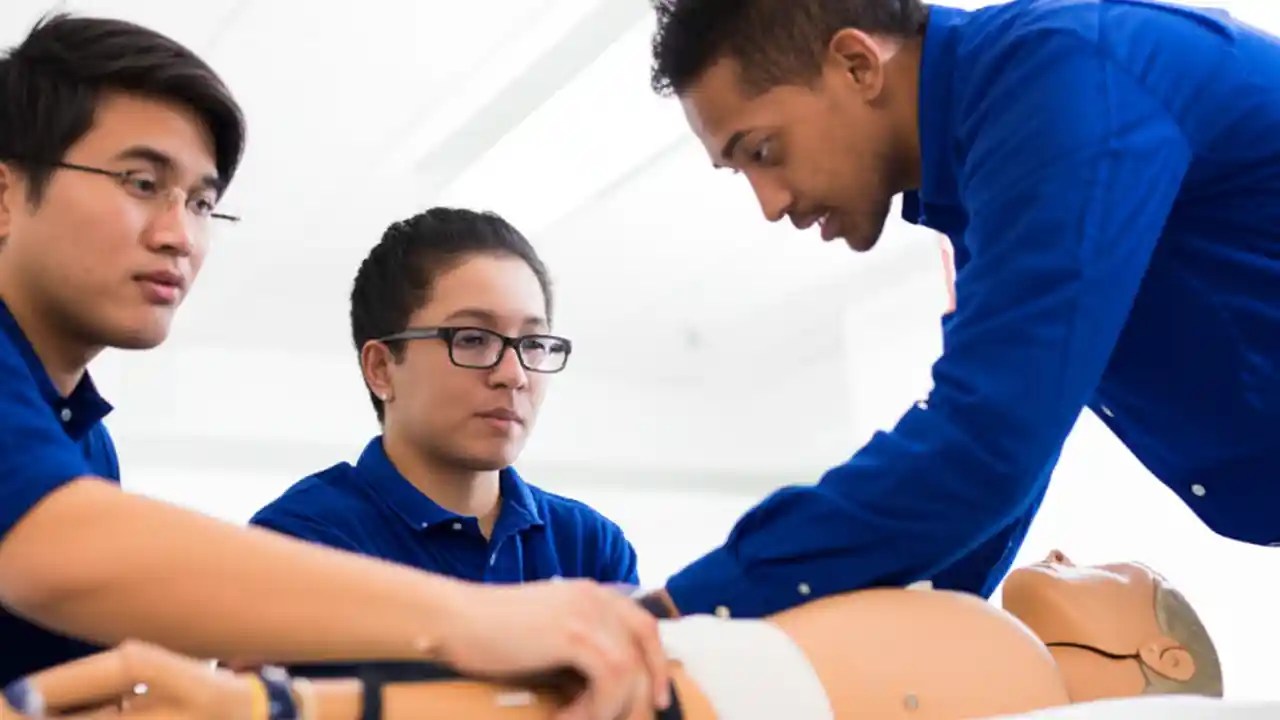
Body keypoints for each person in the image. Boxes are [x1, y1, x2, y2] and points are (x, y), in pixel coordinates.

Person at [0, 13, 668, 718]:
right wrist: (479, 622)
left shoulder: (81, 437)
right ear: (6, 195)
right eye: (140, 183)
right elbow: (57, 551)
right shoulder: (293, 527)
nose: (179, 236)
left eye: (201, 203)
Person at [637, 0, 1280, 619]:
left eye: (763, 151)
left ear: (858, 64)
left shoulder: (1063, 78)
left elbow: (988, 442)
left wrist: (680, 612)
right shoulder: (995, 160)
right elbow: (999, 444)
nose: (769, 203)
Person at [7, 551, 1267, 720]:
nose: (1060, 555)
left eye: (1110, 571)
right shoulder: (991, 634)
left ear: (1155, 664)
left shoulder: (1029, 671)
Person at [251, 209, 638, 601]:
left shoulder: (589, 548)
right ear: (382, 368)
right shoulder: (299, 543)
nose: (514, 375)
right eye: (472, 339)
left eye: (533, 344)